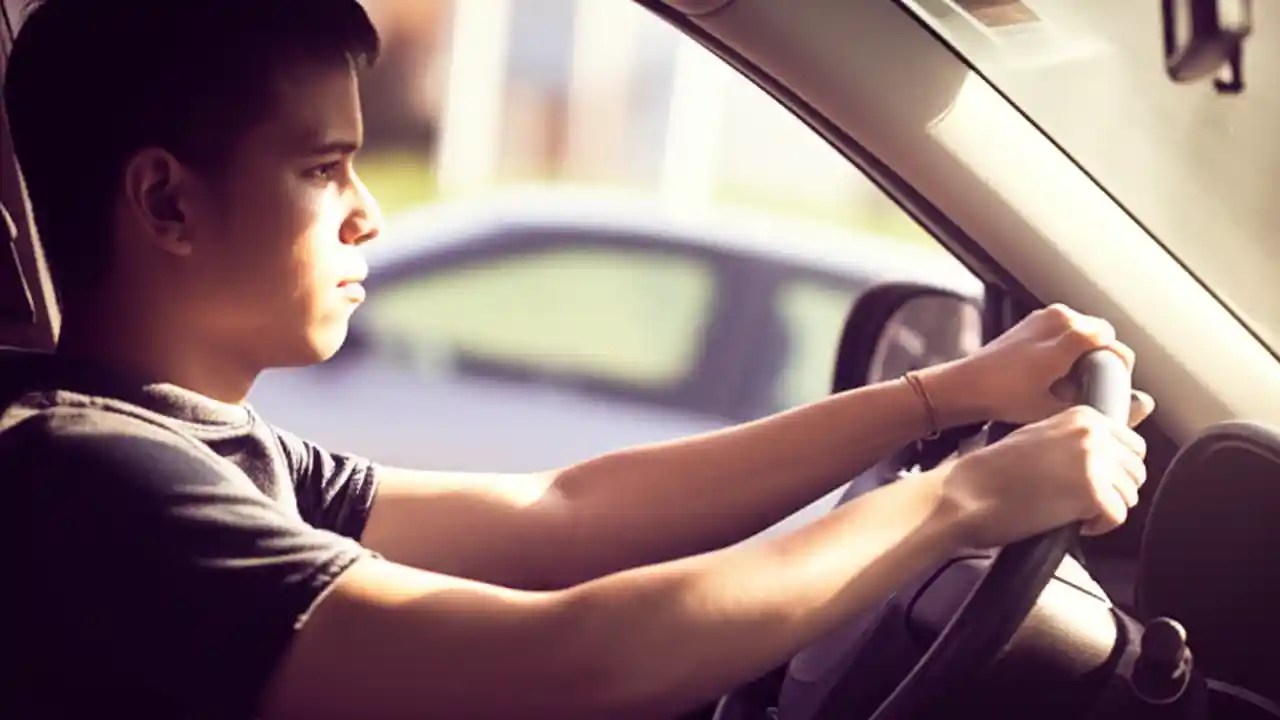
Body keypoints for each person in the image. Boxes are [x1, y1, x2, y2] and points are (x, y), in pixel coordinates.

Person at [0, 1, 1155, 718]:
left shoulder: (185, 439)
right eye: (321, 168)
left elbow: (556, 510)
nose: (369, 216)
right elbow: (568, 663)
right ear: (164, 201)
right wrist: (957, 502)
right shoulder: (93, 482)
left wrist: (940, 396)